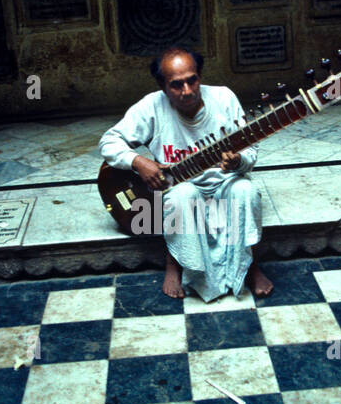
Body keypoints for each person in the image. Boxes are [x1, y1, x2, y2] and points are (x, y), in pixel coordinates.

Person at [99, 47, 273, 300]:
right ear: (162, 86)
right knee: (183, 195)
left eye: (192, 80)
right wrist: (138, 161)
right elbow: (108, 142)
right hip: (180, 186)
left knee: (245, 189)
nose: (187, 91)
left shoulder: (224, 98)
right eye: (176, 85)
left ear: (200, 76)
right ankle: (175, 264)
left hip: (225, 182)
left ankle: (251, 266)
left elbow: (250, 150)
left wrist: (238, 162)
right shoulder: (151, 106)